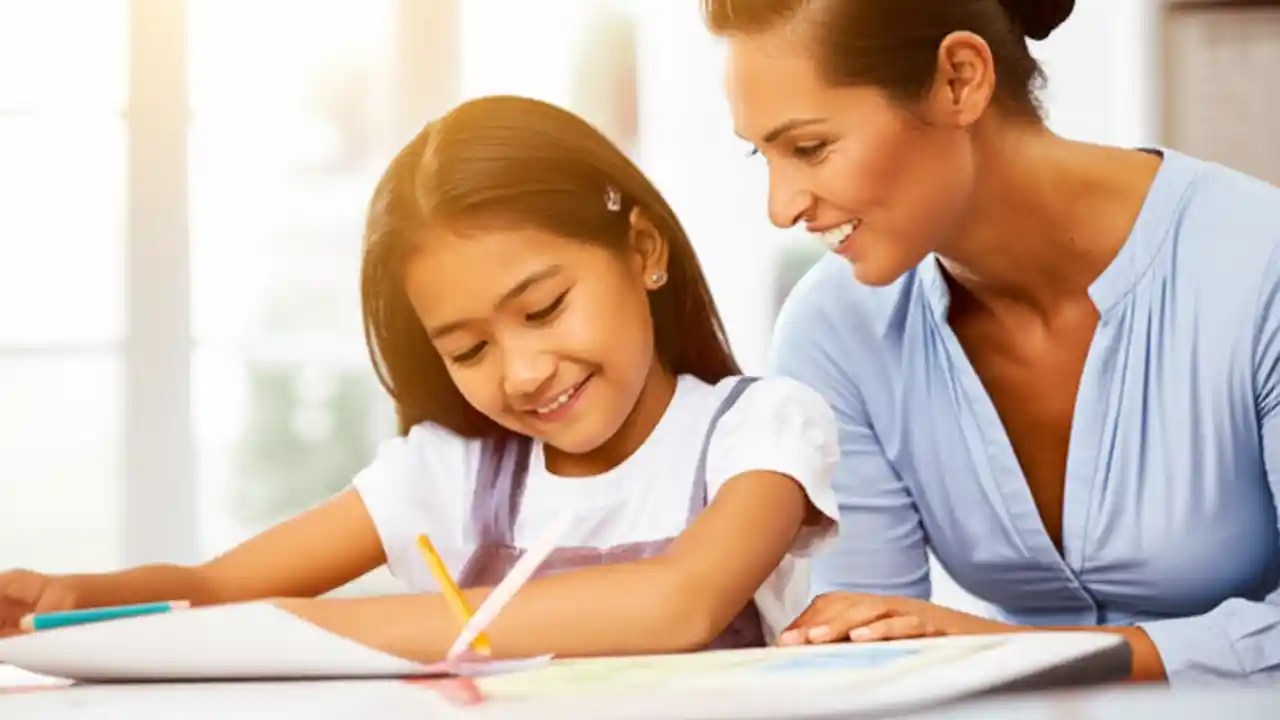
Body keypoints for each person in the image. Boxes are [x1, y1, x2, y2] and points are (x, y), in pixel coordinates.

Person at [0, 95, 839, 661]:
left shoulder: (758, 432)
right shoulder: (449, 471)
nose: (523, 372)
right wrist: (76, 595)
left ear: (644, 252)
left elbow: (678, 604)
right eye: (469, 350)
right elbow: (216, 588)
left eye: (544, 309)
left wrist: (310, 629)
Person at [704, 0, 1280, 684]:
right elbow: (861, 655)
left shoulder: (1257, 267)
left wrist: (1029, 654)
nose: (782, 205)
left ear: (959, 79)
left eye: (809, 148)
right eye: (760, 154)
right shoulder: (835, 329)